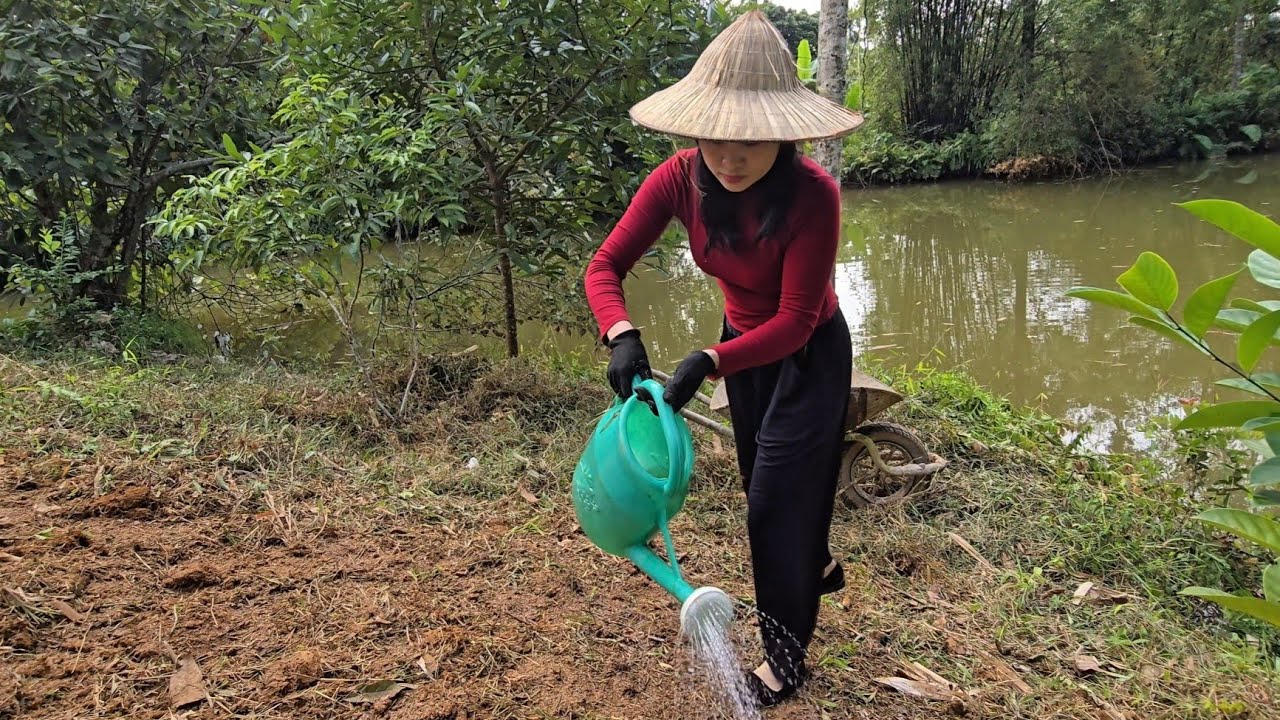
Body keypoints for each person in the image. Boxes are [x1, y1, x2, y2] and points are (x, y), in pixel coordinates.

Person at [582, 9, 864, 708]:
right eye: (714, 138)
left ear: (783, 135)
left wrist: (710, 360)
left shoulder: (814, 196)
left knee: (771, 508)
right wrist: (621, 333)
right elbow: (605, 265)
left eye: (749, 141)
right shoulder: (678, 179)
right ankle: (813, 560)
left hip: (806, 353)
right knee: (766, 484)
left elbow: (795, 320)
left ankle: (784, 662)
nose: (729, 157)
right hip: (741, 350)